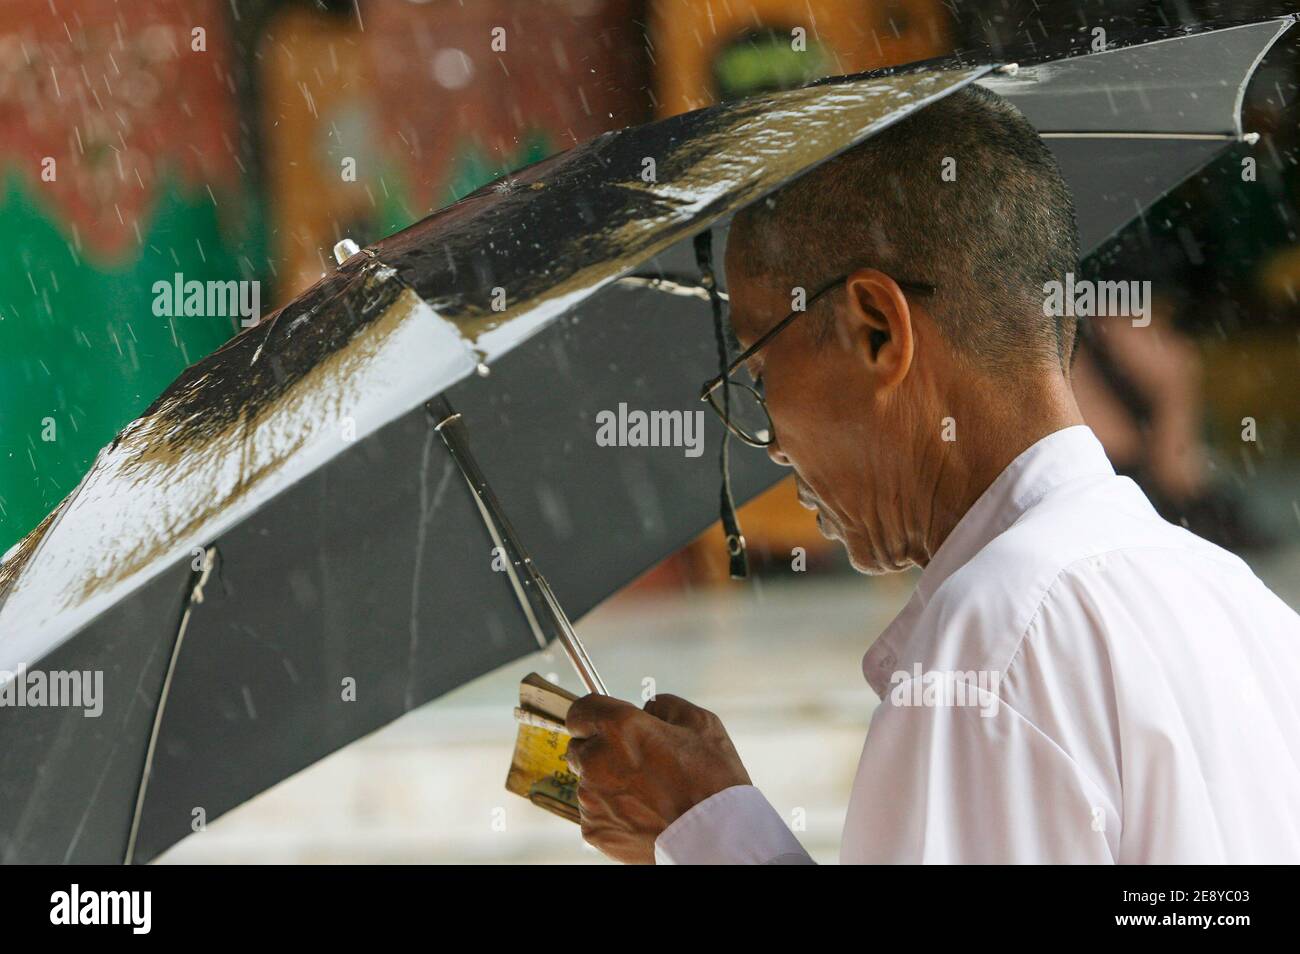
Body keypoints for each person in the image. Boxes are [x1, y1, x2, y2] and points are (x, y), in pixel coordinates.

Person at [563, 83, 1300, 864]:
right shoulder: (1241, 604)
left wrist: (706, 830)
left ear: (876, 329)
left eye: (758, 369)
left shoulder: (995, 642)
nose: (772, 443)